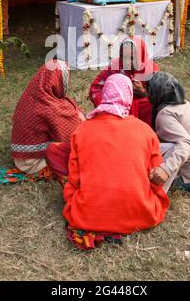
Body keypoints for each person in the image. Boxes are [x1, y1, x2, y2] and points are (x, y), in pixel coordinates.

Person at [63, 74, 169, 250]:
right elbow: (156, 178)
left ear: (105, 95)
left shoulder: (81, 131)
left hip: (86, 214)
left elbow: (74, 179)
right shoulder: (145, 131)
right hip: (144, 212)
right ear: (129, 95)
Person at [10, 59, 84, 178]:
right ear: (56, 80)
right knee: (82, 159)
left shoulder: (34, 94)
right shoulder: (50, 106)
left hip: (22, 157)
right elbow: (71, 133)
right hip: (33, 164)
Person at [89, 36, 160, 126]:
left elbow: (161, 98)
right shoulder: (115, 66)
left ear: (141, 55)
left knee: (150, 104)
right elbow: (96, 87)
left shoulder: (151, 70)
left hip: (144, 112)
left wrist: (143, 92)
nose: (126, 62)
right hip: (116, 111)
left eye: (132, 58)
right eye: (123, 57)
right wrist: (108, 105)